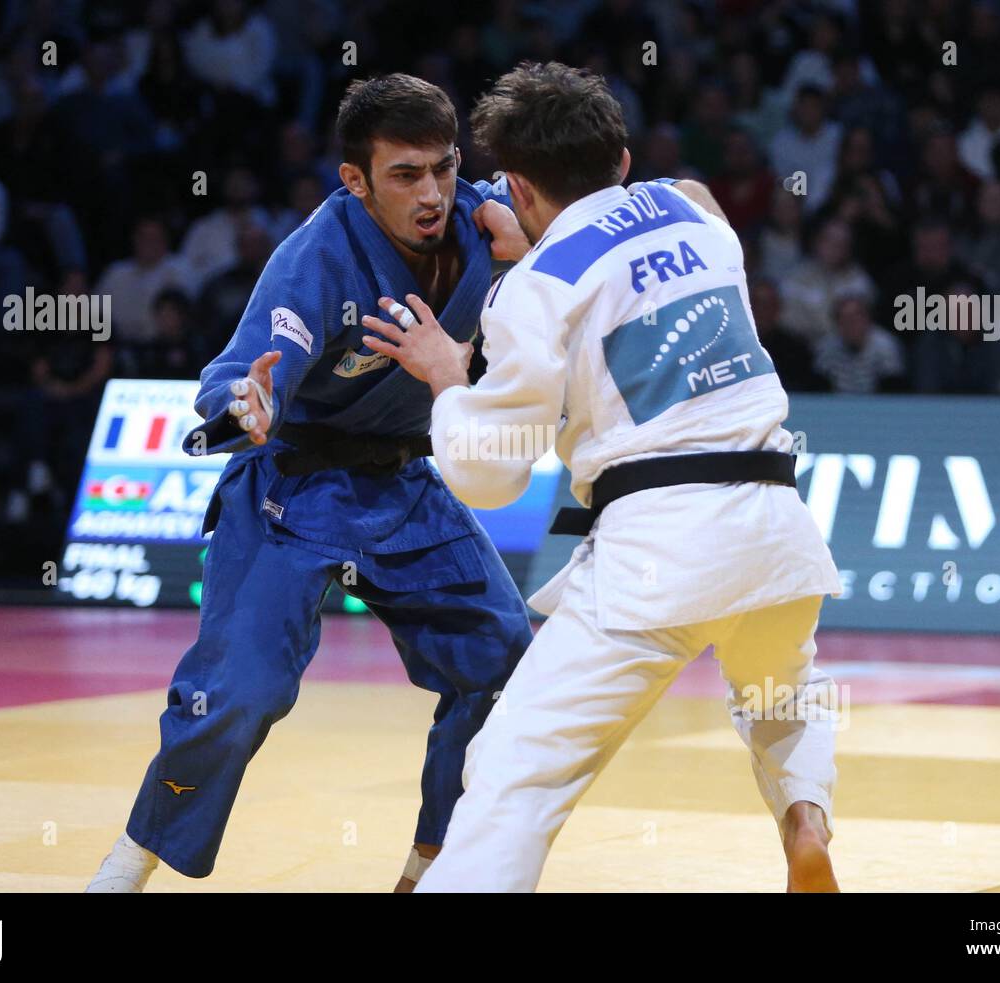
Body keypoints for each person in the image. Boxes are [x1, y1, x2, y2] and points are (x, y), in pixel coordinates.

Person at [361, 63, 843, 893]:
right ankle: (805, 819)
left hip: (659, 551)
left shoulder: (534, 289)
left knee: (515, 773)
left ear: (514, 183)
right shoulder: (697, 214)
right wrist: (558, 227)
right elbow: (680, 191)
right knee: (780, 694)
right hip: (780, 532)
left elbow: (489, 475)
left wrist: (447, 374)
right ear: (620, 157)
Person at [86, 73, 534, 893]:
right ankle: (130, 859)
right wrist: (244, 403)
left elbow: (583, 207)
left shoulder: (487, 210)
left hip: (404, 482)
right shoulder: (315, 258)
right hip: (291, 487)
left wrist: (536, 235)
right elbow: (244, 368)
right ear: (355, 180)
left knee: (507, 661)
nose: (431, 192)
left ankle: (434, 862)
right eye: (405, 175)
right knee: (238, 694)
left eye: (442, 167)